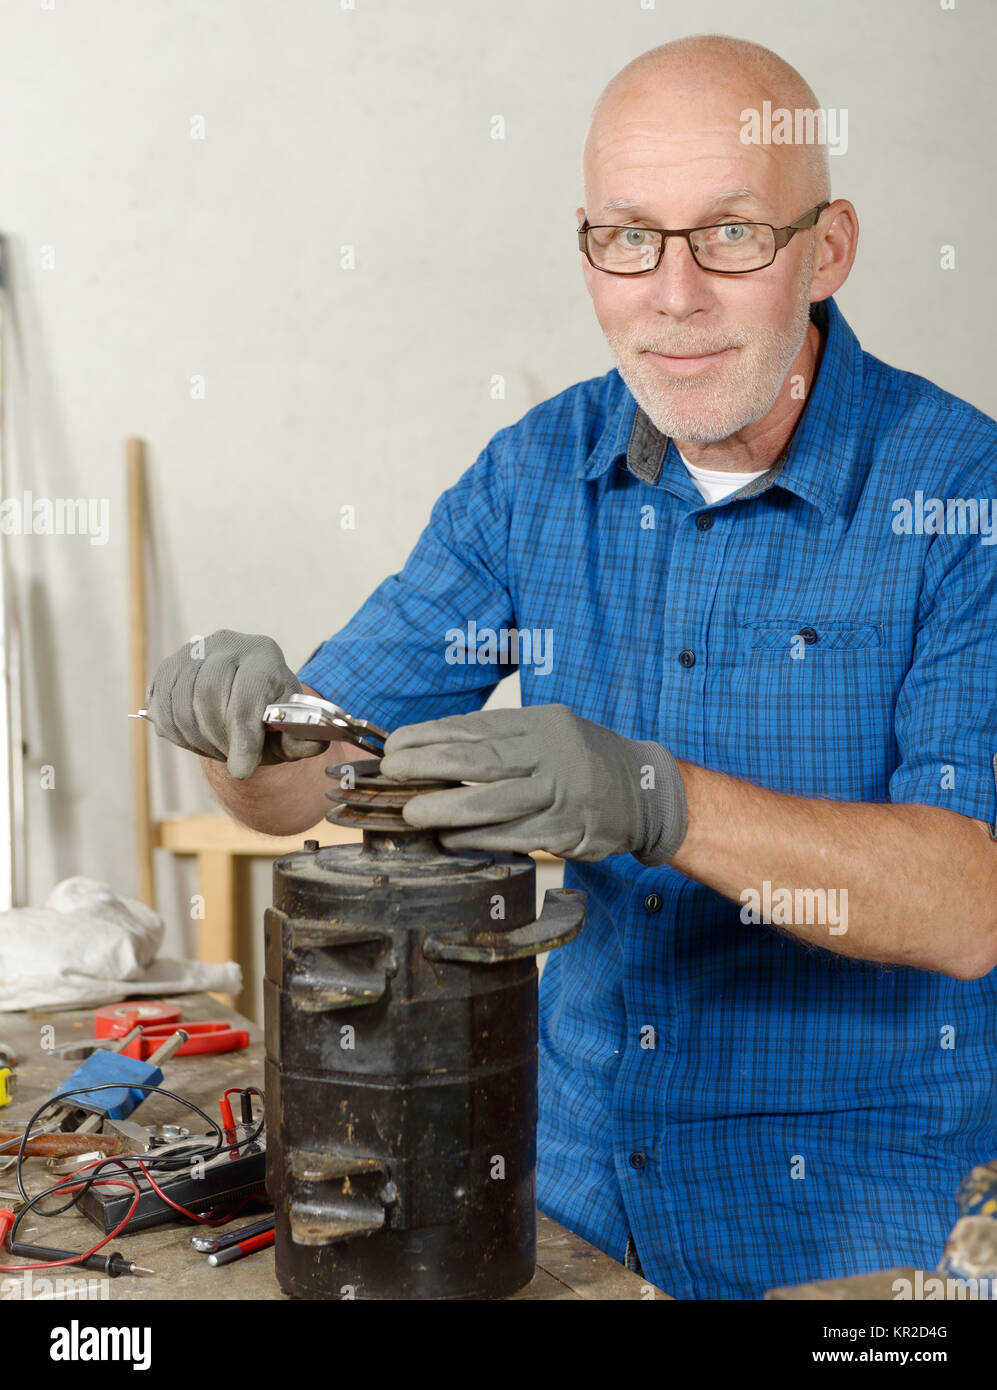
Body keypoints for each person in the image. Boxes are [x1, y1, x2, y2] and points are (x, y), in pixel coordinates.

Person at [145, 35, 997, 1299]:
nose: (672, 292)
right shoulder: (532, 476)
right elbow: (303, 788)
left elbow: (967, 903)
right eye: (626, 237)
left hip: (858, 1227)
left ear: (827, 249)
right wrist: (244, 728)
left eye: (729, 235)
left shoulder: (959, 496)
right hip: (562, 1191)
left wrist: (653, 798)